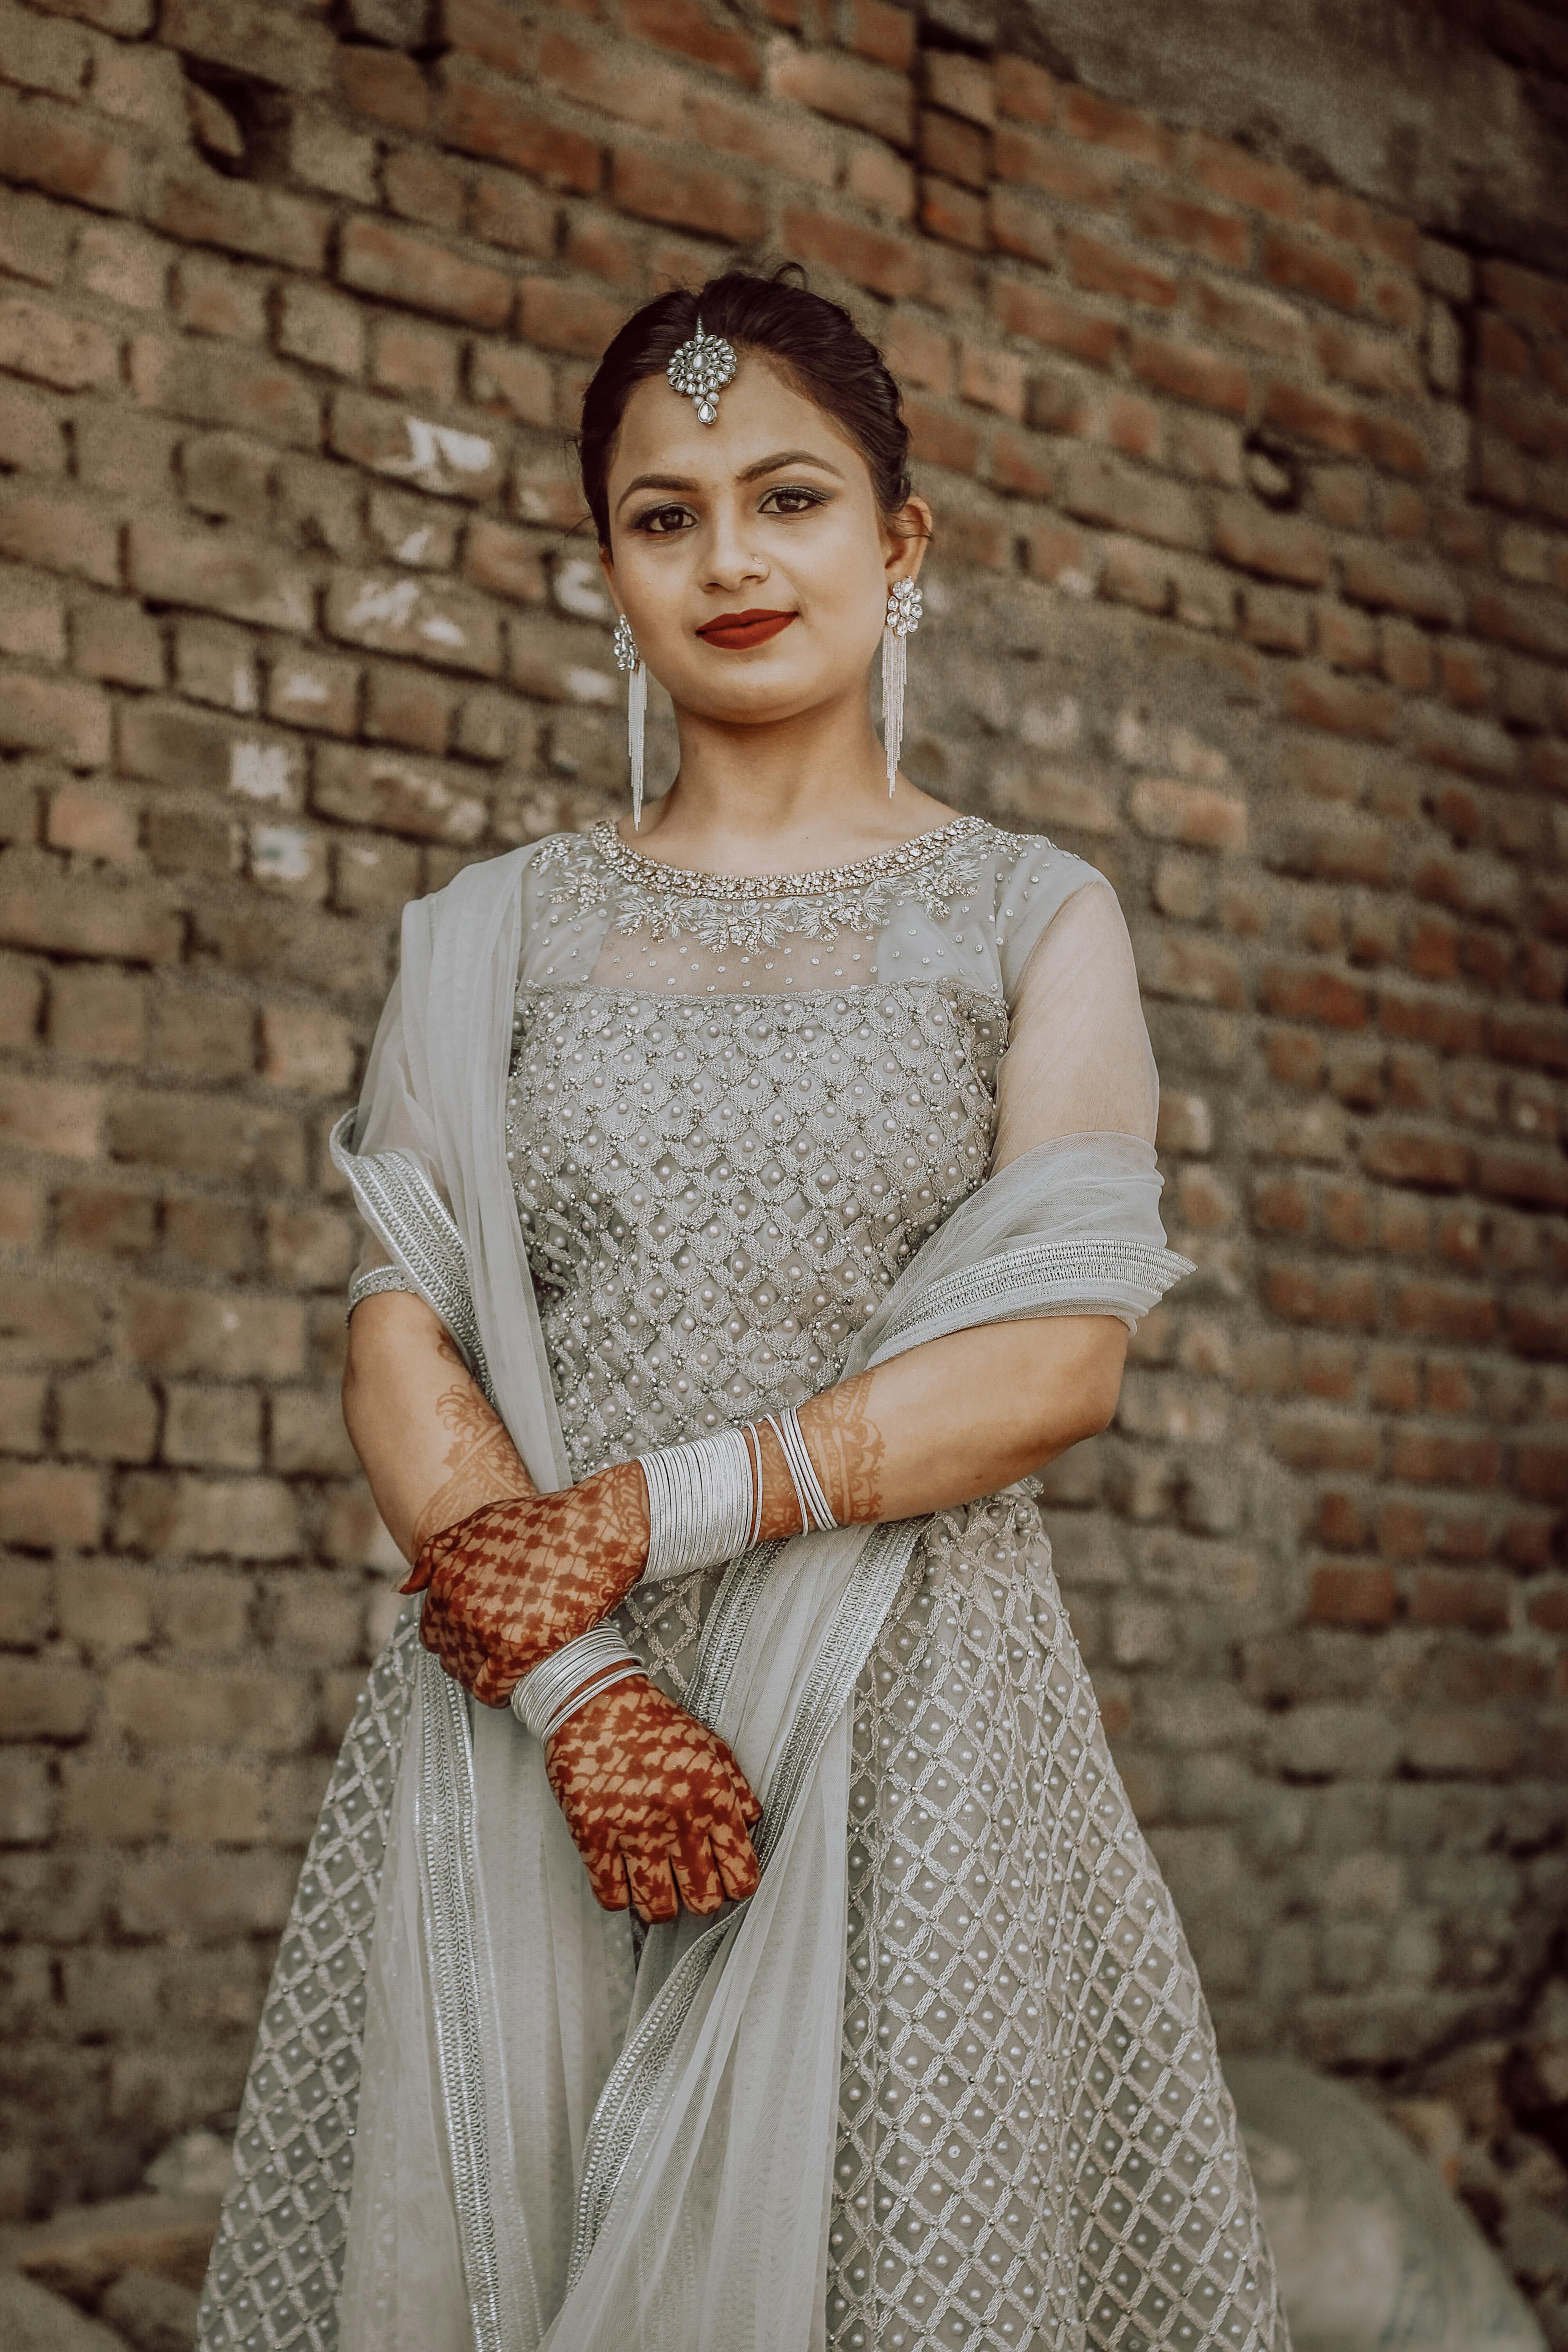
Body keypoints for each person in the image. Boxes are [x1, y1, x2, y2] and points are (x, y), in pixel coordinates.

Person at [196, 269, 1288, 2352]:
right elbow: (400, 1328)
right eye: (663, 514)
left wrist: (636, 1515)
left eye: (786, 498)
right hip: (533, 1717)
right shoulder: (487, 933)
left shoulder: (1030, 915)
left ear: (901, 540)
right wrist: (588, 1695)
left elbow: (1056, 1354)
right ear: (606, 566)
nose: (729, 561)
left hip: (904, 1718)